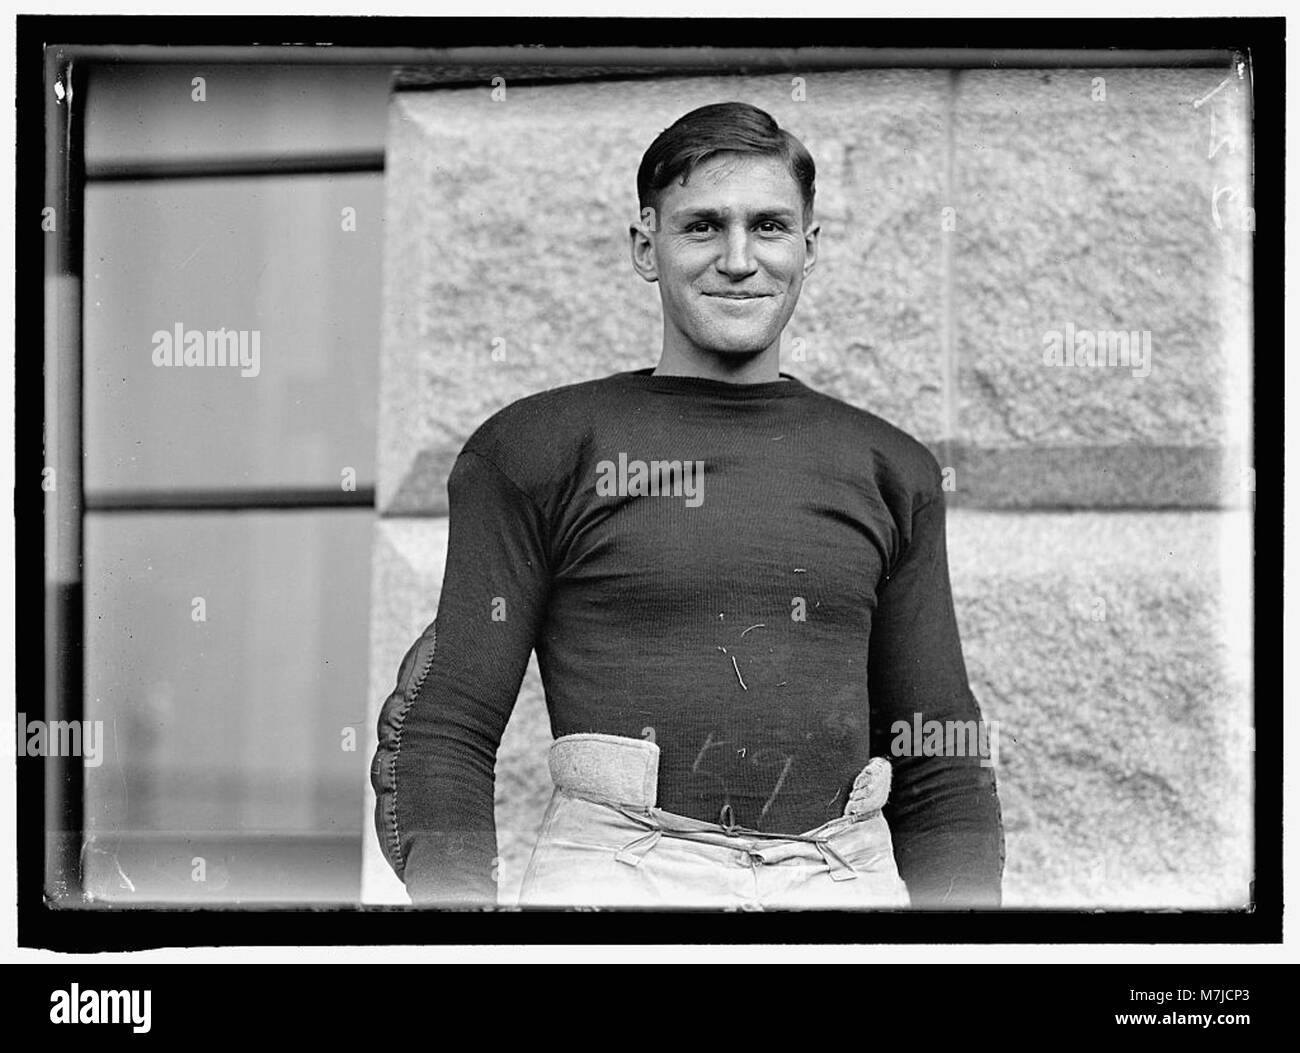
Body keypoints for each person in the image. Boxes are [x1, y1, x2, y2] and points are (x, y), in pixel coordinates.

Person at [371, 100, 1004, 910]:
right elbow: (442, 729)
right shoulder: (535, 448)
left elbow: (940, 753)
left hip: (841, 881)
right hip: (618, 878)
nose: (739, 259)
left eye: (769, 227)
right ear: (647, 244)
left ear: (809, 248)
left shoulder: (891, 467)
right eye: (703, 226)